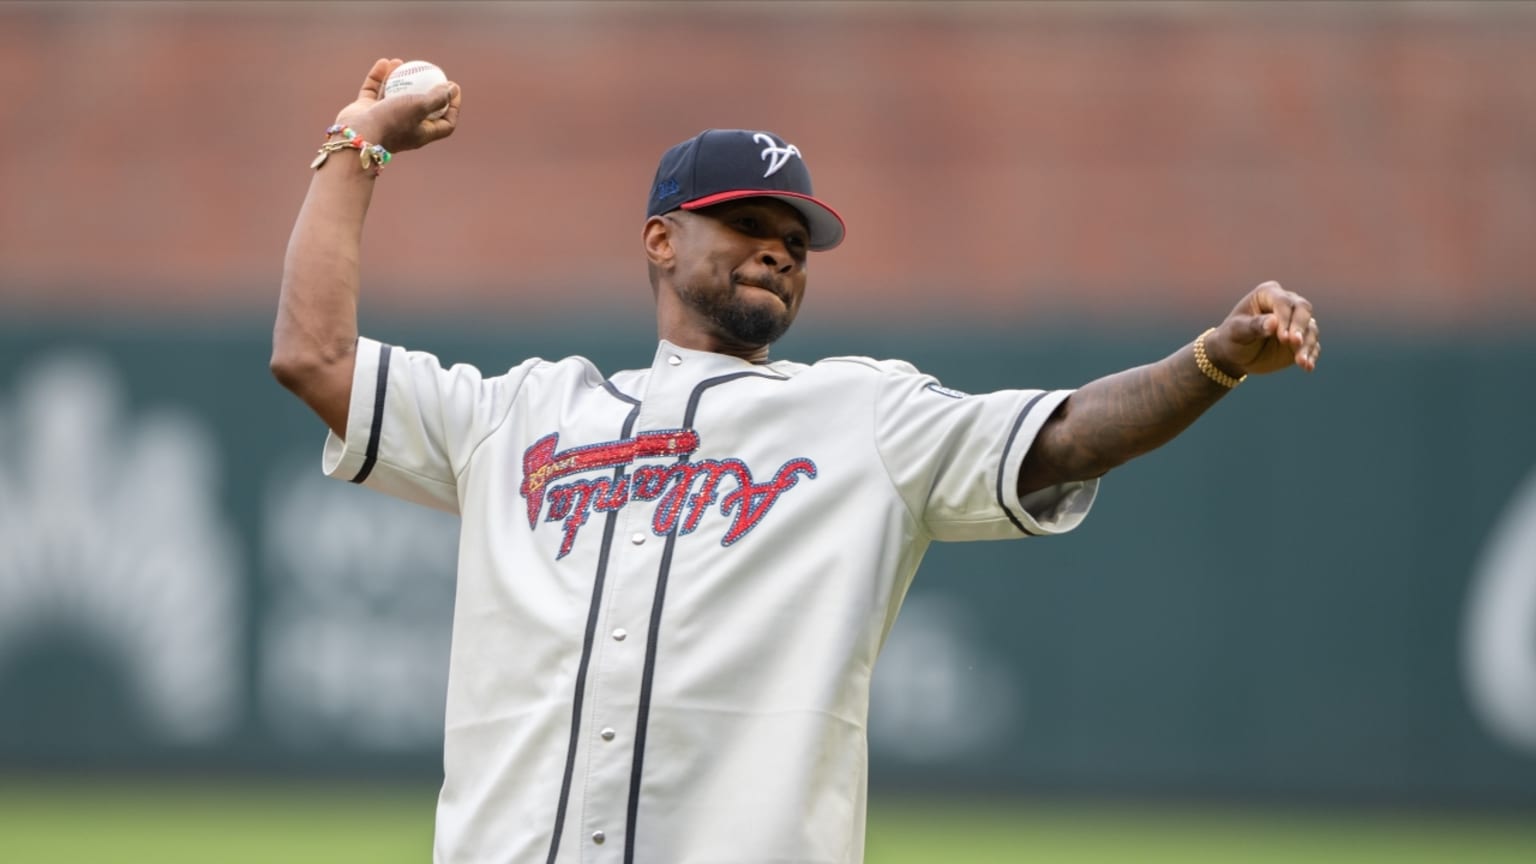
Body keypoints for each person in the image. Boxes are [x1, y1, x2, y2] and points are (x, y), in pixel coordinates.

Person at [272, 59, 1322, 864]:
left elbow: (1071, 432)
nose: (777, 248)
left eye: (795, 239)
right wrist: (358, 144)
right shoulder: (521, 413)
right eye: (745, 223)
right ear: (660, 240)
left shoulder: (864, 416)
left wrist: (1213, 359)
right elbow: (314, 357)